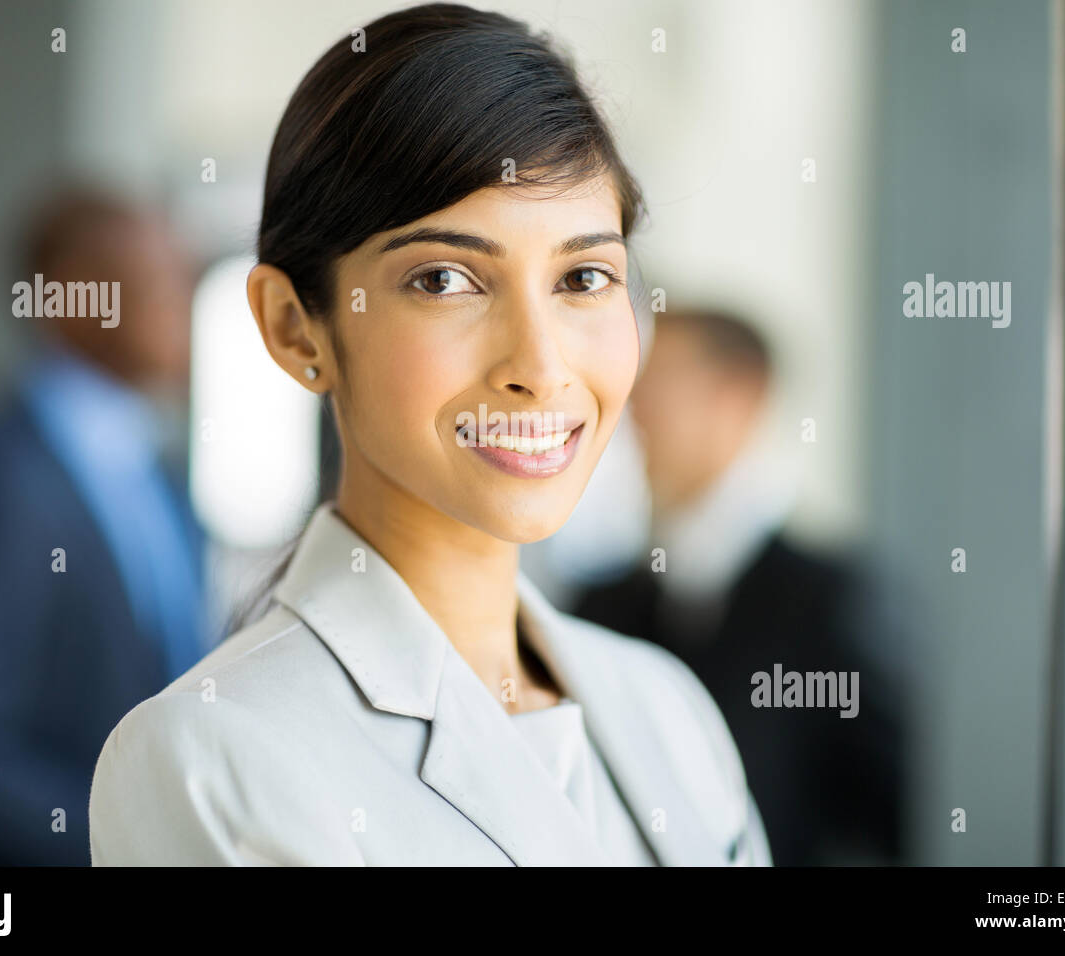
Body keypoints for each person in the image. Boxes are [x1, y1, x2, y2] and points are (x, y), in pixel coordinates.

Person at [89, 3, 770, 867]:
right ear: (297, 328)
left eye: (584, 276)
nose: (540, 364)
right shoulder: (207, 757)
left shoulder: (669, 710)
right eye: (445, 278)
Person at [0, 185, 210, 865]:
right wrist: (134, 846)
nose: (182, 306)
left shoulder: (159, 473)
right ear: (66, 297)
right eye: (159, 283)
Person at [573, 307, 907, 864]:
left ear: (741, 397)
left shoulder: (833, 601)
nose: (635, 412)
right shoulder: (601, 602)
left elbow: (877, 822)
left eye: (657, 384)